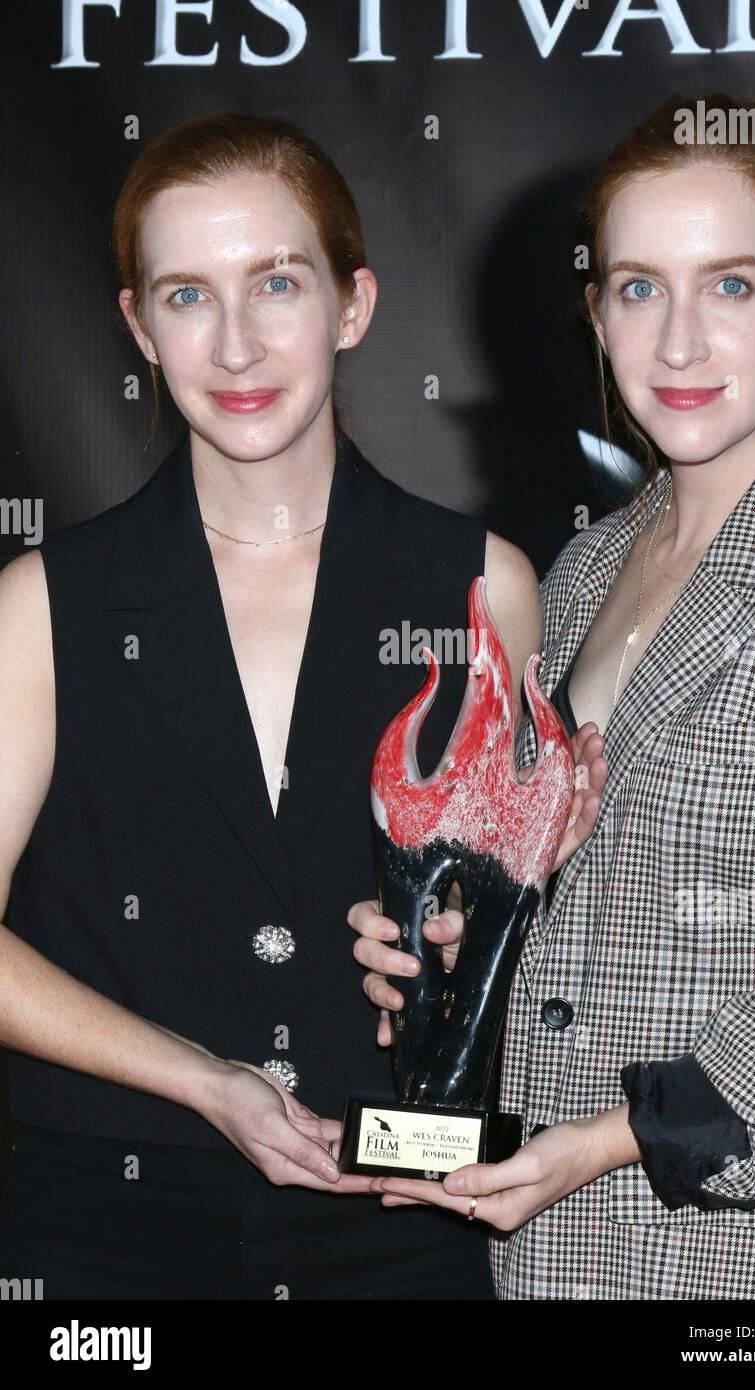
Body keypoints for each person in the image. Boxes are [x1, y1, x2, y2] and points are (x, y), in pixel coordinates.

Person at [0, 111, 561, 1300]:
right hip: (112, 1220)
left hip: (403, 1209)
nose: (239, 343)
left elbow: (491, 915)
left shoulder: (479, 582)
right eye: (189, 295)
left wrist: (462, 930)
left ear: (352, 306)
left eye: (276, 282)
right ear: (138, 327)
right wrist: (207, 1081)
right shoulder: (44, 601)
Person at [349, 88, 755, 1300]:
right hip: (557, 1255)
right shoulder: (579, 572)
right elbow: (582, 896)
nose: (677, 341)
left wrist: (618, 1137)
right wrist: (445, 949)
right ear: (596, 313)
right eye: (638, 288)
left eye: (730, 286)